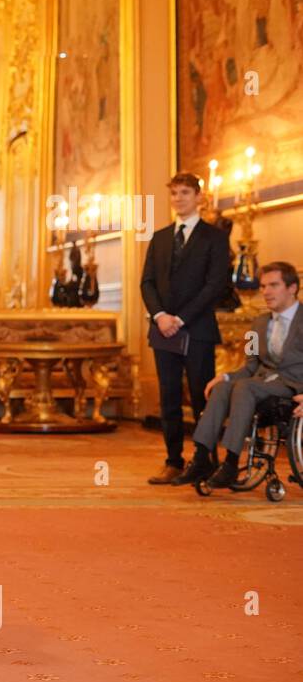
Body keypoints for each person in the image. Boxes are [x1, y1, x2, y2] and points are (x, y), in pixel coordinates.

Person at [140, 172, 231, 484]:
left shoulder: (214, 237)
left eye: (185, 193)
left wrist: (181, 319)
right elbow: (147, 282)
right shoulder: (161, 237)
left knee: (201, 397)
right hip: (163, 329)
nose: (178, 199)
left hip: (198, 329)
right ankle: (173, 461)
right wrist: (161, 316)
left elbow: (215, 285)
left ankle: (206, 461)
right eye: (175, 193)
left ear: (199, 197)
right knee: (168, 398)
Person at [176, 262, 302, 486]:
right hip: (261, 385)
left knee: (245, 386)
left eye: (273, 285)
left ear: (292, 288)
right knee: (224, 387)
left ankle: (231, 463)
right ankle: (201, 458)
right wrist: (224, 377)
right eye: (263, 286)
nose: (266, 291)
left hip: (294, 386)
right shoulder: (259, 323)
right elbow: (250, 365)